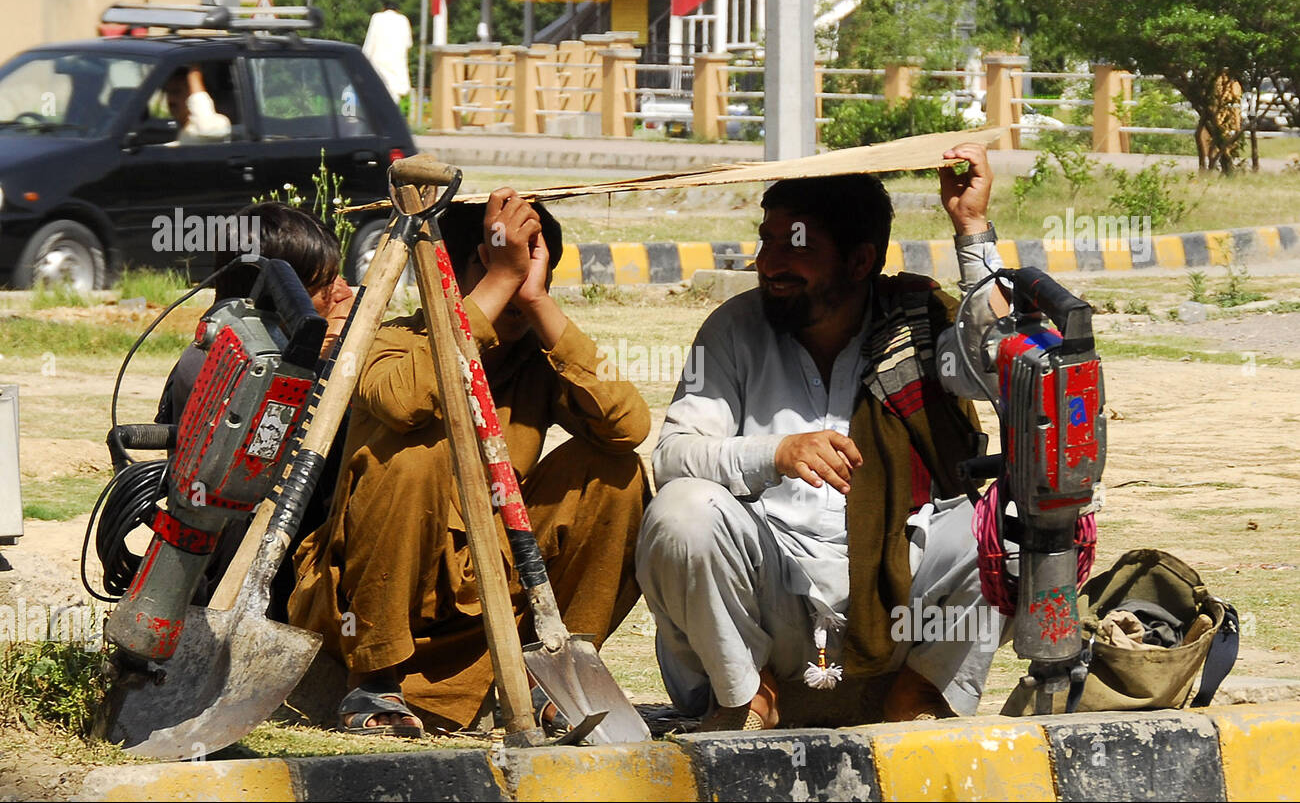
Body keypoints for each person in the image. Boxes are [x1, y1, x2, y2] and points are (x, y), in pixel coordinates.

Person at [635, 143, 1013, 731]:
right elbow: (674, 456)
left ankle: (916, 697)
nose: (769, 262)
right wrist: (774, 455)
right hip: (768, 607)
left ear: (859, 262)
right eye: (767, 240)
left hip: (896, 602)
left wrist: (970, 228)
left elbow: (998, 365)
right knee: (682, 510)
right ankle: (746, 700)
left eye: (797, 245)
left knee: (1011, 526)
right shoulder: (733, 329)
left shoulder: (919, 324)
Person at [288, 189, 651, 736]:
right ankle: (375, 680)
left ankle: (555, 671)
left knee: (616, 474)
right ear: (453, 279)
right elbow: (406, 400)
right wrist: (497, 284)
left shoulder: (534, 356)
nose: (516, 279)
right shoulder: (384, 338)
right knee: (416, 454)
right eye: (501, 268)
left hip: (485, 594)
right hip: (366, 607)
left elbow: (628, 428)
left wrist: (535, 301)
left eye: (531, 267)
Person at [155, 203, 354, 617]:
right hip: (238, 582)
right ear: (278, 294)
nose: (344, 294)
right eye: (323, 287)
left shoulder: (233, 348)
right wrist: (334, 365)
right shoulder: (237, 368)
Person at [163, 65, 232, 144]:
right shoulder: (186, 130)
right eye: (168, 92)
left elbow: (207, 128)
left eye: (176, 92)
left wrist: (194, 74)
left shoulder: (219, 122)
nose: (170, 99)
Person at [362, 1, 412, 104]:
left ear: (383, 9)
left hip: (378, 64)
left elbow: (370, 42)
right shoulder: (403, 20)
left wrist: (362, 60)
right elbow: (408, 44)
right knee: (393, 100)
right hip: (396, 65)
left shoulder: (377, 18)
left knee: (377, 97)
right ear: (397, 10)